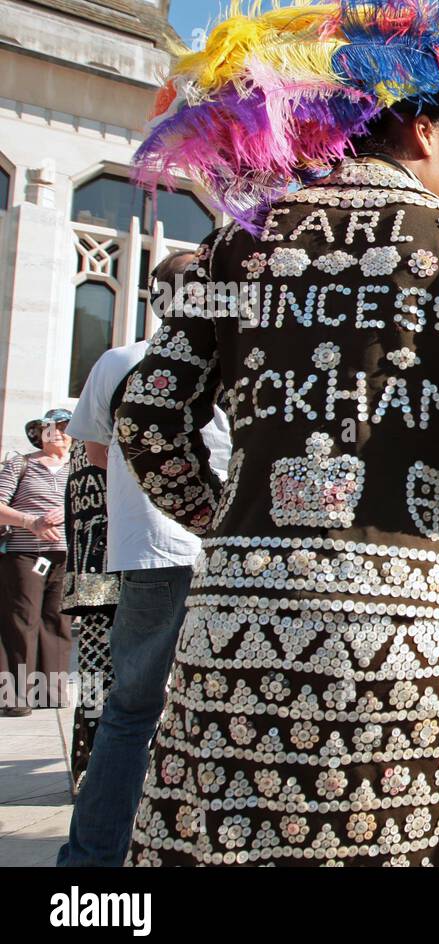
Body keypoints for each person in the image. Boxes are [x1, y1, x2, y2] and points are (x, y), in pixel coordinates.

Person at [110, 0, 439, 867]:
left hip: (241, 627)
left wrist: (221, 520)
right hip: (408, 638)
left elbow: (147, 411)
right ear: (421, 130)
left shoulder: (240, 244)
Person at [58, 257, 232, 867]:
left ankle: (92, 861)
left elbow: (98, 456)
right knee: (212, 709)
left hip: (149, 550)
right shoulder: (230, 368)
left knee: (131, 710)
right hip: (220, 558)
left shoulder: (118, 362)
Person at [0, 409, 74, 716]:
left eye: (64, 427)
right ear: (39, 434)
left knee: (59, 621)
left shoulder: (79, 468)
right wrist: (32, 521)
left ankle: (52, 693)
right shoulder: (20, 463)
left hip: (66, 555)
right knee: (22, 620)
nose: (56, 433)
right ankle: (14, 697)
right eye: (50, 428)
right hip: (25, 553)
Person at [60, 438, 120, 788]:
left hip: (97, 563)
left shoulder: (85, 424)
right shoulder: (109, 418)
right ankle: (98, 771)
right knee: (114, 673)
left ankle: (91, 767)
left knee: (99, 670)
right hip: (115, 562)